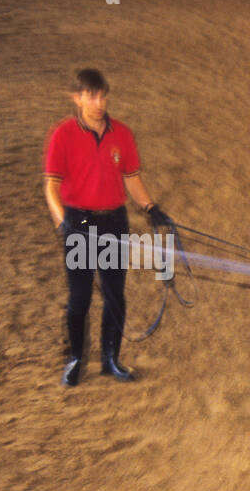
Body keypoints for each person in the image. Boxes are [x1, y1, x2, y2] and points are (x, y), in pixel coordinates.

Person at [43, 68, 170, 386]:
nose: (98, 102)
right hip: (80, 221)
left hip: (114, 221)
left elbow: (132, 177)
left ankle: (111, 358)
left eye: (102, 95)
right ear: (77, 97)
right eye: (91, 95)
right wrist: (63, 222)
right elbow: (51, 187)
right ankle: (75, 358)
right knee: (80, 297)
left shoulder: (122, 135)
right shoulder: (63, 135)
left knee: (115, 294)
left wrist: (150, 207)